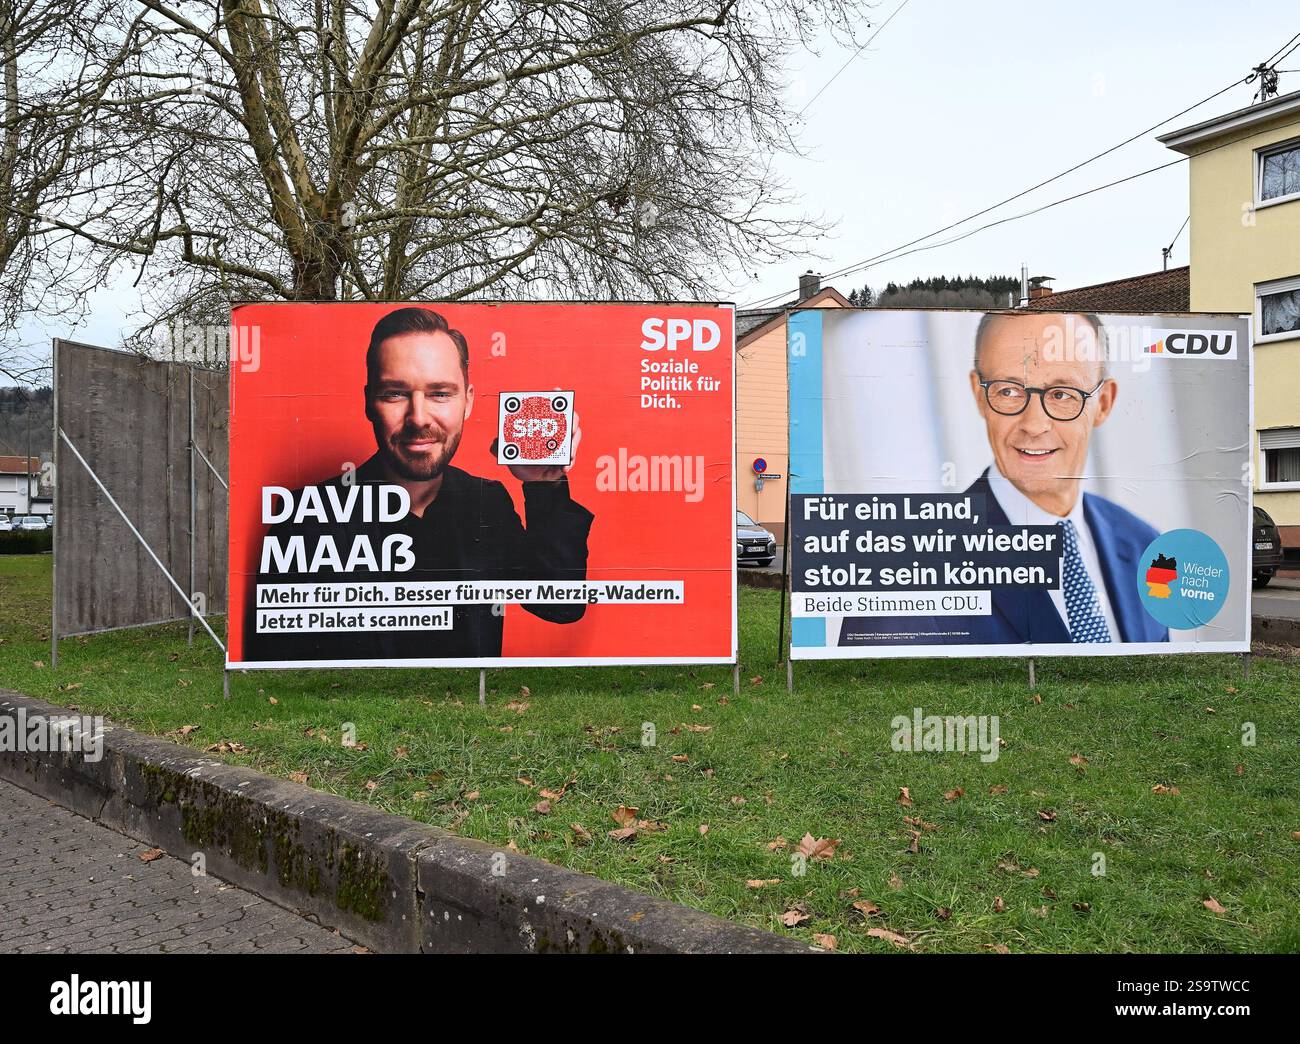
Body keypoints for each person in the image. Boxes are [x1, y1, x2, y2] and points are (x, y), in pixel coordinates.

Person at [243, 306, 593, 662]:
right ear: (368, 402)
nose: (419, 418)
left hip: (469, 717)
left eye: (440, 393)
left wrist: (544, 483)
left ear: (468, 401)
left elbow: (560, 605)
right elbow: (273, 665)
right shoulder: (307, 518)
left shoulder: (488, 503)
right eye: (395, 394)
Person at [839, 310, 1167, 647]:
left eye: (1062, 394)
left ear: (1104, 402)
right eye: (1009, 391)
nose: (1034, 424)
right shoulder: (905, 574)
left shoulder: (1146, 548)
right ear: (980, 396)